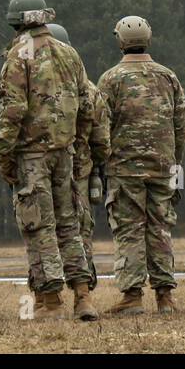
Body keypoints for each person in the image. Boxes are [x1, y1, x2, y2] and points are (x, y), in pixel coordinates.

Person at [0, 0, 103, 321]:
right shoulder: (68, 53)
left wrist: (3, 153)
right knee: (69, 224)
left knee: (38, 224)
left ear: (15, 21)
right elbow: (87, 107)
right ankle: (83, 297)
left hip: (32, 155)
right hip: (64, 154)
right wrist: (77, 145)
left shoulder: (18, 55)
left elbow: (13, 110)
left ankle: (51, 298)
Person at [96, 15, 185, 315]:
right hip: (164, 167)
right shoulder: (168, 76)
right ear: (148, 38)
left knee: (129, 230)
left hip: (124, 170)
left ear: (121, 42)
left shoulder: (110, 79)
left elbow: (100, 126)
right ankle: (165, 296)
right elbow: (181, 127)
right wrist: (176, 162)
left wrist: (101, 162)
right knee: (160, 228)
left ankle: (132, 296)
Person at [47, 22, 110, 293]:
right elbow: (102, 140)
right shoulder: (90, 90)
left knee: (46, 227)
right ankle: (83, 288)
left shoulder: (34, 89)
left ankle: (48, 291)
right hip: (80, 171)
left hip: (44, 170)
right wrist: (96, 165)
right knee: (79, 227)